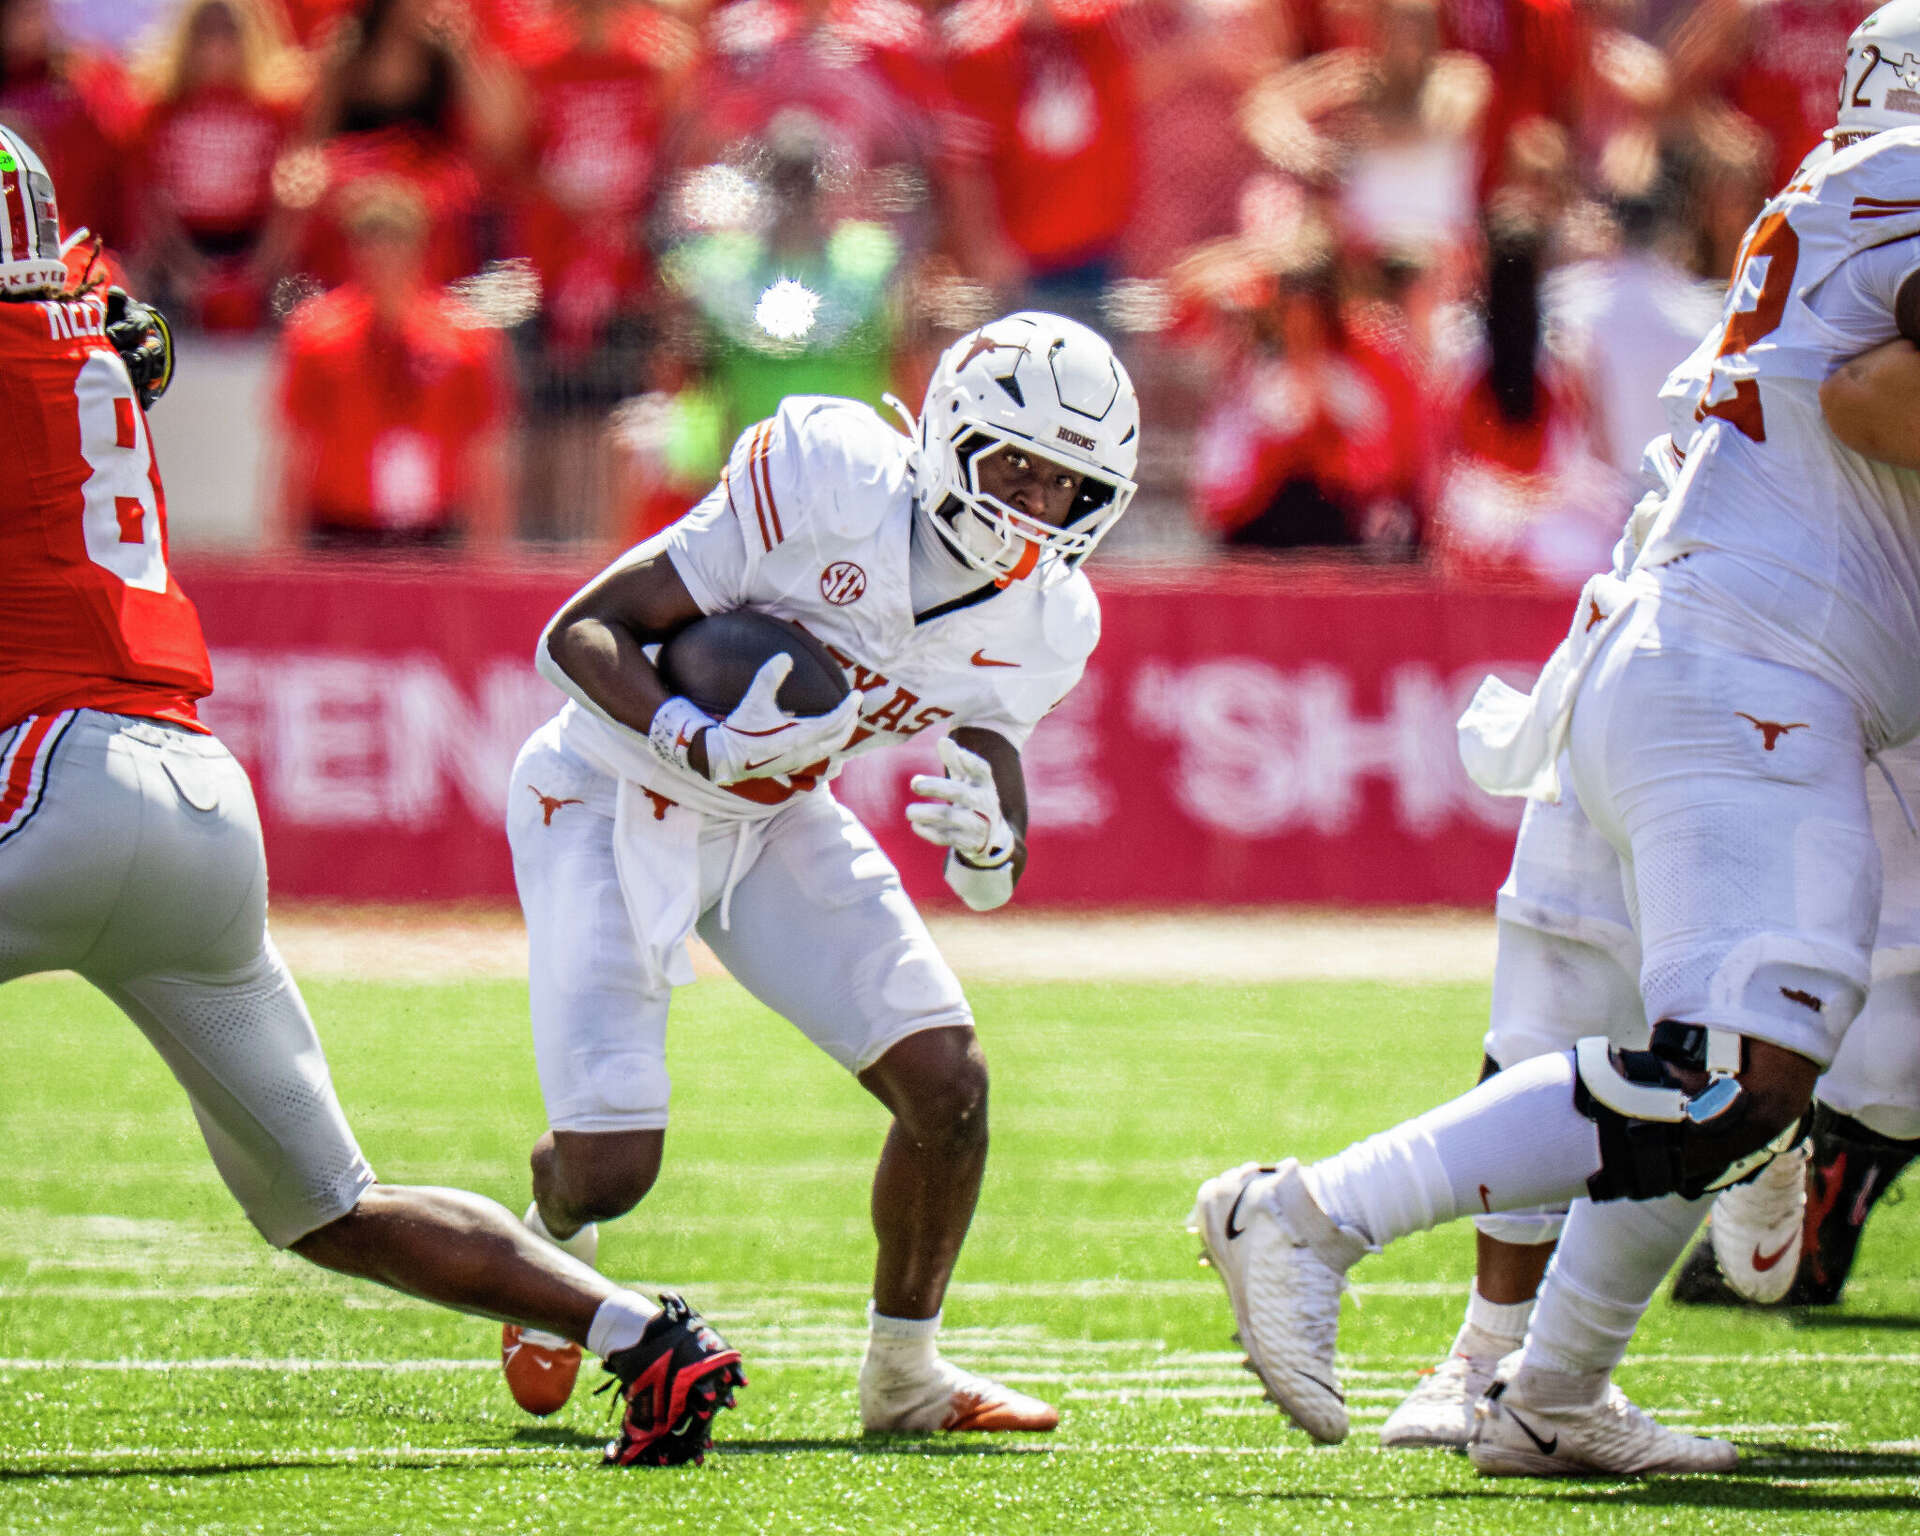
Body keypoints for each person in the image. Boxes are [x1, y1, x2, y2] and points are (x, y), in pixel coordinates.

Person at [1189, 0, 1920, 1476]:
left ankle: (1550, 1389)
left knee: (1706, 1059)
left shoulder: (1841, 196)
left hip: (1697, 645)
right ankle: (1312, 1214)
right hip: (1753, 670)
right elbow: (1879, 396)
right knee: (1734, 1069)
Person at [0, 123, 741, 1469]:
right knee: (333, 1204)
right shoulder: (87, 326)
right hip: (194, 801)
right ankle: (644, 1335)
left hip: (55, 774)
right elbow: (108, 313)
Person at [497, 311, 1139, 1434]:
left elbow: (993, 849)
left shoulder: (1051, 621)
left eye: (1065, 490)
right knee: (608, 1171)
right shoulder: (826, 473)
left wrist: (991, 845)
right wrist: (696, 740)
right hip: (609, 791)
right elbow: (579, 633)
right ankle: (552, 1238)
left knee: (950, 1086)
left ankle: (905, 1377)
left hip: (775, 815)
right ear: (947, 433)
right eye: (1018, 469)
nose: (1034, 509)